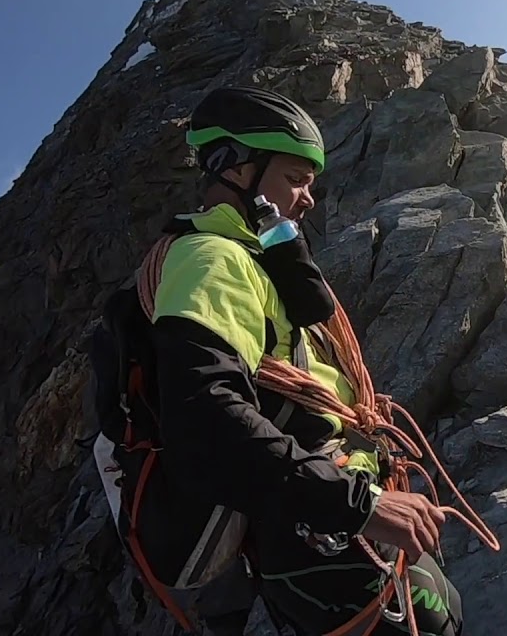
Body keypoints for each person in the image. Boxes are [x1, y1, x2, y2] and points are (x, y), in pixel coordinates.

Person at [147, 86, 463, 635]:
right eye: (295, 178)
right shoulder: (210, 259)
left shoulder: (251, 254)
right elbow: (202, 414)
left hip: (329, 501)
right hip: (318, 521)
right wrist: (358, 505)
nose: (309, 196)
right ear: (235, 170)